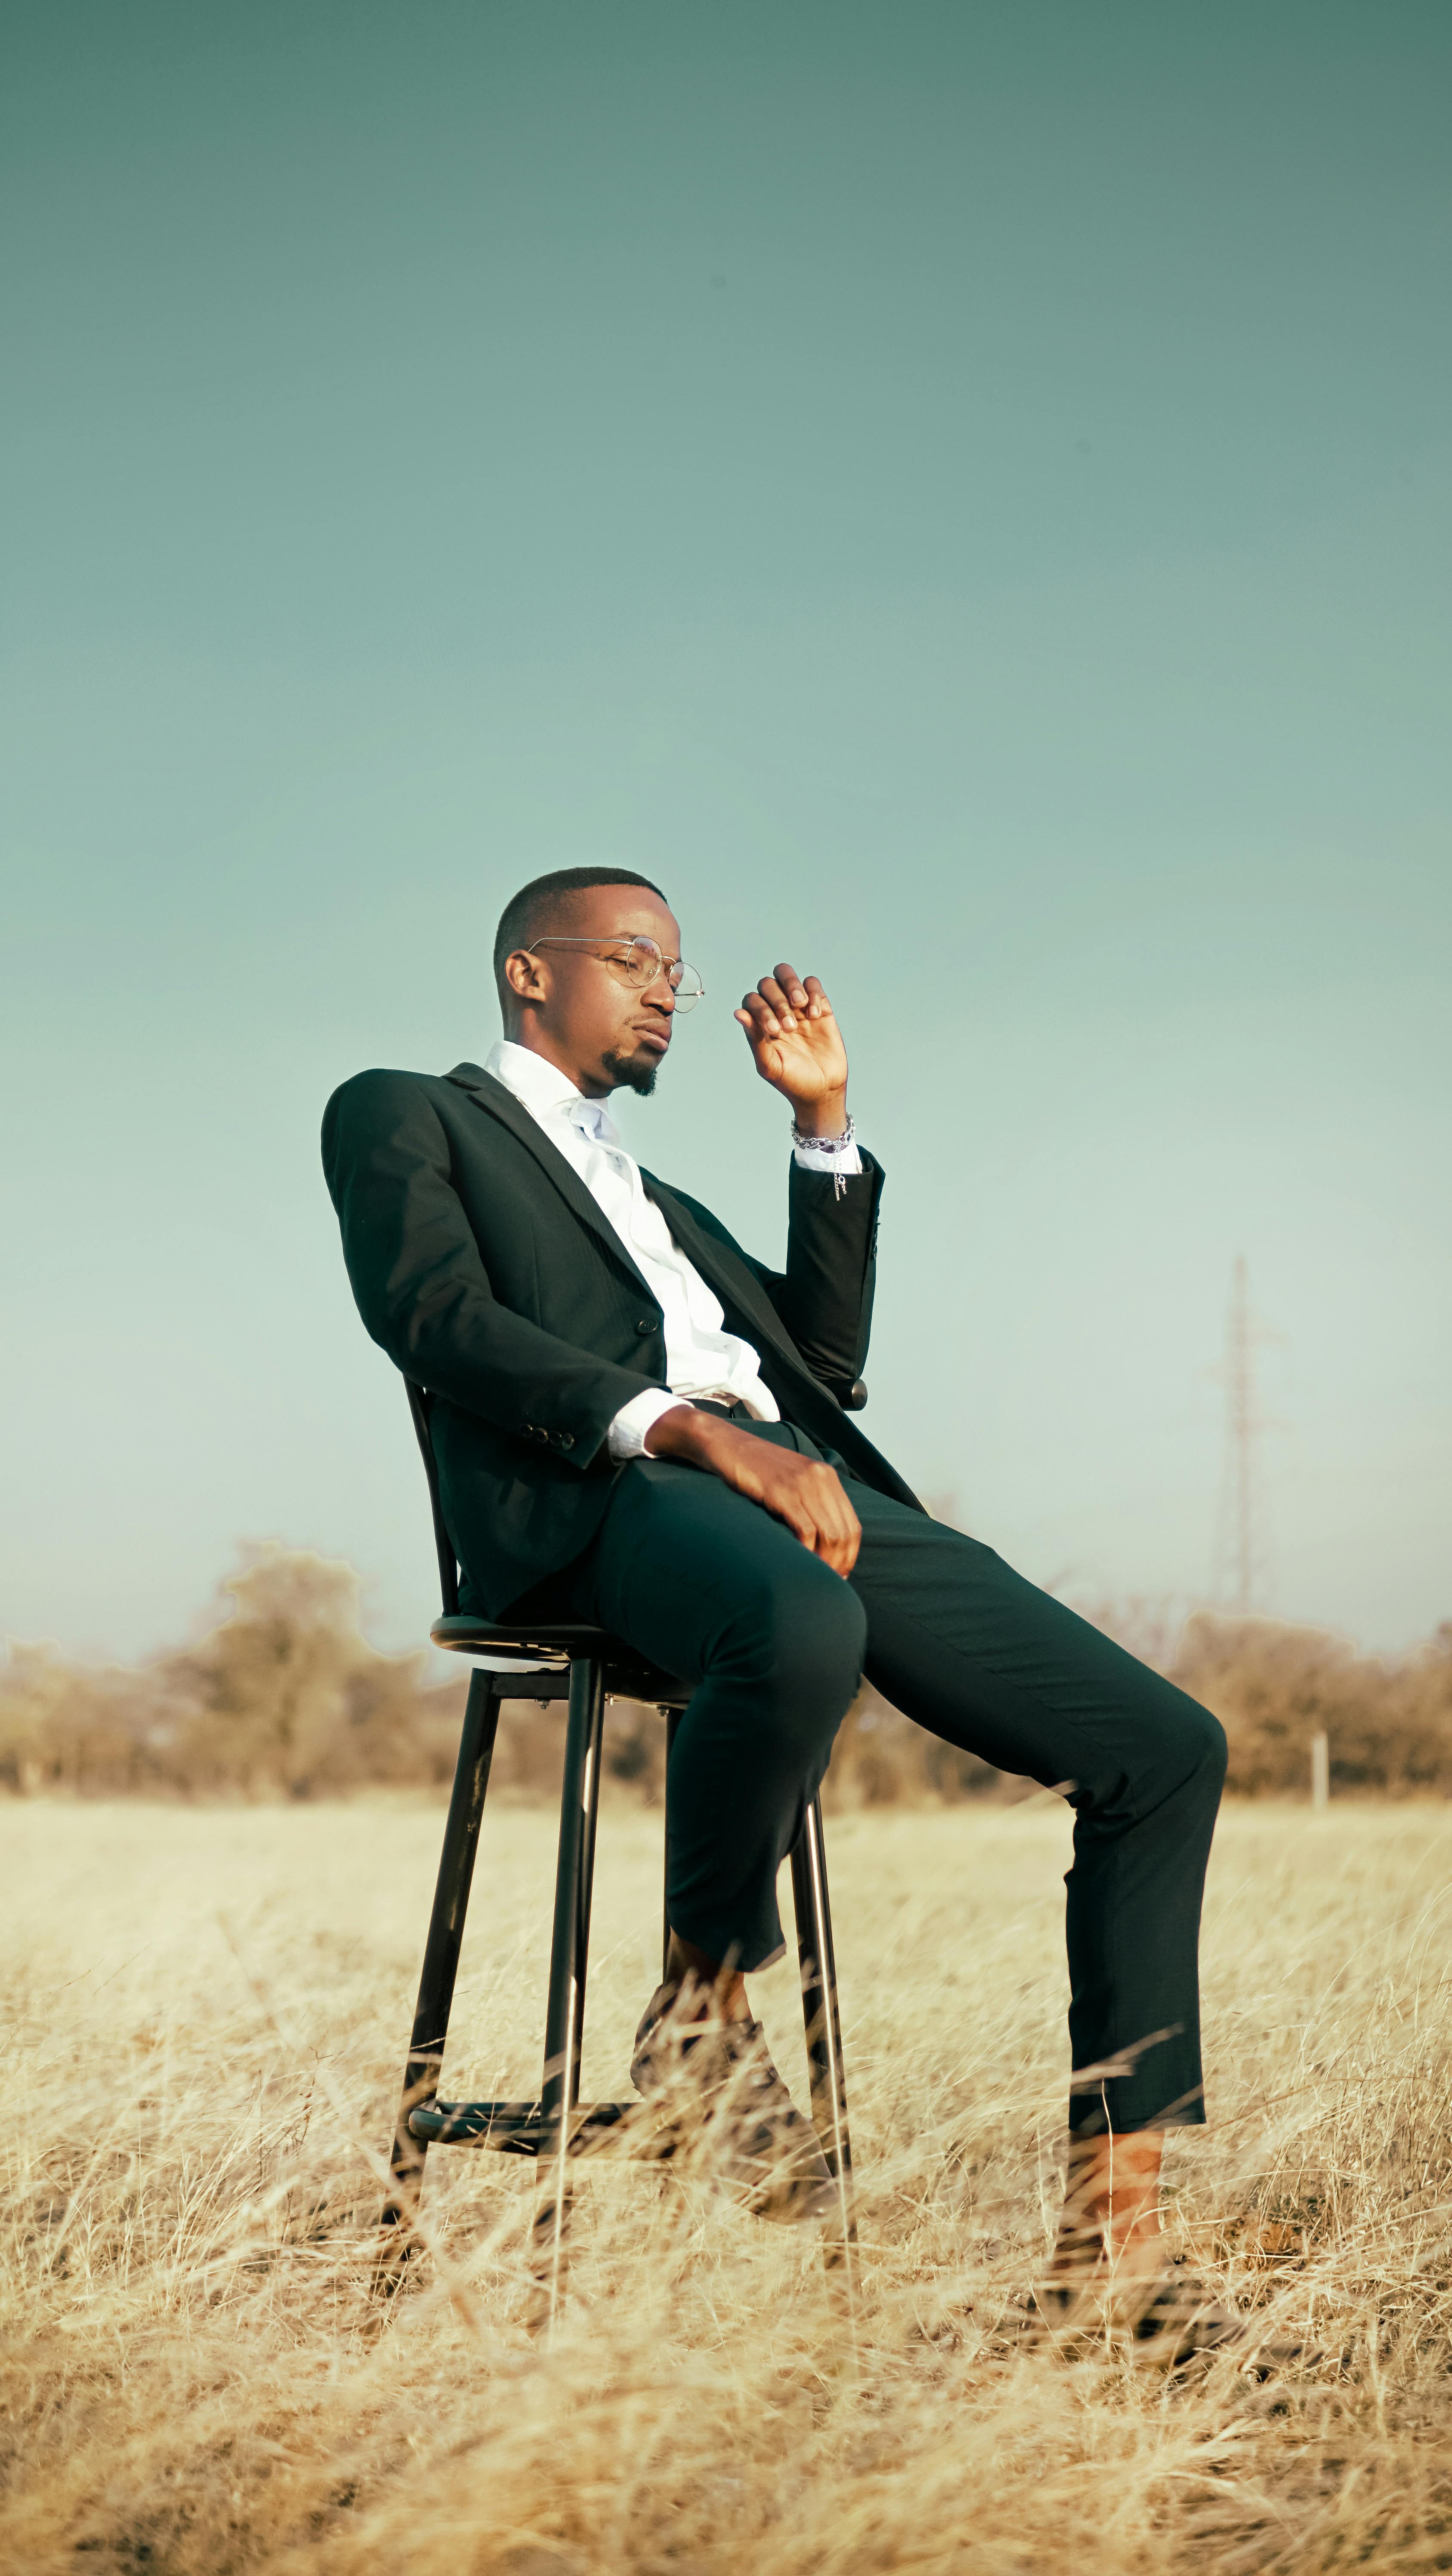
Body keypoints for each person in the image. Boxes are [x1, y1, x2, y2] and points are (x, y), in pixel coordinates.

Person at [323, 864, 1227, 2320]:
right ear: (531, 973)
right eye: (636, 957)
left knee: (1165, 1748)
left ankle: (1110, 2253)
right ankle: (702, 2007)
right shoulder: (406, 1111)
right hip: (603, 1491)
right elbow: (430, 1316)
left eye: (680, 966)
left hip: (792, 1478)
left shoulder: (657, 1195)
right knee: (804, 1618)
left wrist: (823, 1125)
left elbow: (824, 1366)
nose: (671, 988)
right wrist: (684, 1428)